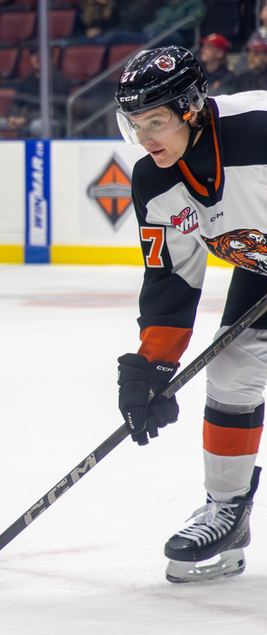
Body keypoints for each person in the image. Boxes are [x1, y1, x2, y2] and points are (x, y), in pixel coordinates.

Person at [112, 45, 265, 584]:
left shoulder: (258, 127)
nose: (146, 136)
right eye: (135, 123)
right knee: (233, 368)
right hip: (262, 266)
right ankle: (228, 511)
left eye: (156, 120)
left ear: (192, 108)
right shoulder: (155, 180)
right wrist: (152, 365)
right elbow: (171, 279)